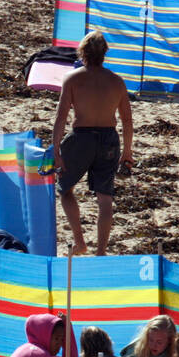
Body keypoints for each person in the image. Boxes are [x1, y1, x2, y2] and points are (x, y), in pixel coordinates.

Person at [50, 30, 133, 257]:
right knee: (105, 197)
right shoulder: (116, 81)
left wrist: (56, 149)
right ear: (105, 53)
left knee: (65, 189)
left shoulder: (73, 79)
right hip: (109, 139)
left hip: (81, 138)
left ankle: (80, 242)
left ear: (82, 52)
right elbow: (127, 120)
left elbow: (61, 117)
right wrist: (127, 152)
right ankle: (101, 251)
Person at [7, 312, 76, 357]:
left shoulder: (32, 350)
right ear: (44, 336)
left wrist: (68, 329)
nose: (60, 344)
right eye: (56, 339)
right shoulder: (36, 353)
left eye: (62, 339)